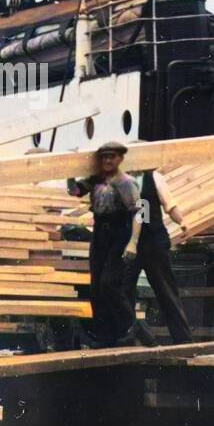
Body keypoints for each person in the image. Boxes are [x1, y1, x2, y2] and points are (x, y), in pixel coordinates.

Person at [67, 141, 143, 347]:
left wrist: (133, 243)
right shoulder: (96, 180)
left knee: (109, 284)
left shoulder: (126, 183)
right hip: (100, 232)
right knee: (96, 288)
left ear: (120, 159)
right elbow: (74, 191)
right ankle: (103, 336)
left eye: (112, 157)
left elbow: (138, 213)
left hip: (119, 232)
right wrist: (69, 171)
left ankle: (129, 328)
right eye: (104, 157)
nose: (108, 161)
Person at [125, 169, 195, 345]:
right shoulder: (122, 180)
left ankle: (184, 341)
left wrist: (183, 222)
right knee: (123, 290)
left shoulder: (154, 178)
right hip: (129, 244)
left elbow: (169, 205)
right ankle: (134, 337)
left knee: (166, 291)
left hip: (153, 242)